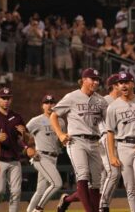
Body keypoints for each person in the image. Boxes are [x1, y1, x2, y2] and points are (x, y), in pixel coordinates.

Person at [51, 68, 108, 212]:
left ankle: (66, 200)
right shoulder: (72, 97)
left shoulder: (101, 101)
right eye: (92, 79)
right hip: (76, 141)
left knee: (95, 184)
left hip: (95, 142)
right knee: (82, 176)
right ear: (83, 80)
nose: (96, 82)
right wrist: (60, 134)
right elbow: (54, 116)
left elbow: (109, 123)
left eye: (97, 79)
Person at [104, 71, 135, 212]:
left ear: (133, 83)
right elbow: (110, 133)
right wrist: (112, 155)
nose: (124, 85)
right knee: (130, 186)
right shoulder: (113, 107)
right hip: (123, 146)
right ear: (118, 86)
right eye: (121, 83)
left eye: (126, 82)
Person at [25, 94, 65, 212]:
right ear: (42, 106)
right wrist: (27, 147)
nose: (49, 105)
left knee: (40, 191)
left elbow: (60, 141)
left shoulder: (61, 121)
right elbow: (21, 135)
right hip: (41, 157)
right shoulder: (36, 120)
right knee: (57, 184)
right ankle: (38, 209)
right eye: (46, 103)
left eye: (52, 103)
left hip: (54, 157)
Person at [0, 87, 29, 212]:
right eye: (3, 98)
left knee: (16, 192)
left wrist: (24, 134)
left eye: (8, 98)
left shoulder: (16, 117)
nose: (6, 101)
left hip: (14, 159)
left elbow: (24, 140)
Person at [98, 74, 123, 212]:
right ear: (114, 86)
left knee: (105, 176)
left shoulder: (122, 101)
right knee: (113, 173)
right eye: (120, 83)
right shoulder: (103, 101)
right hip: (105, 138)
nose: (124, 85)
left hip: (119, 140)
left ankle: (101, 203)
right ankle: (102, 205)